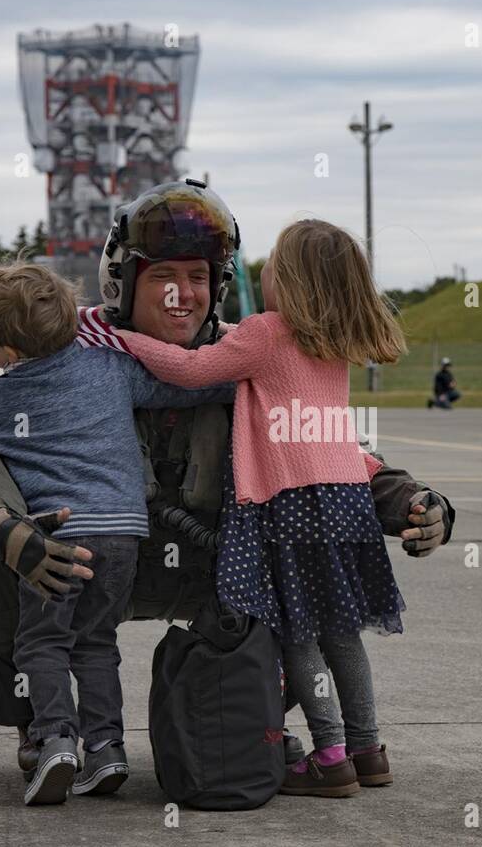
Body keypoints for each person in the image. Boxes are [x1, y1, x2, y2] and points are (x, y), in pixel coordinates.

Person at [0, 180, 457, 783]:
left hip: (214, 568)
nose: (183, 294)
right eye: (165, 274)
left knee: (293, 564)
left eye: (198, 277)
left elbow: (332, 453)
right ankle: (44, 723)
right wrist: (0, 524)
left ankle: (258, 718)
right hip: (84, 557)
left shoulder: (243, 356)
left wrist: (414, 502)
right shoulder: (67, 361)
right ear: (125, 280)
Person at [104, 218, 407, 798]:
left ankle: (330, 754)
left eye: (273, 267)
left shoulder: (267, 333)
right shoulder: (333, 343)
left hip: (290, 503)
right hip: (344, 502)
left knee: (299, 636)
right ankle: (369, 750)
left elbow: (191, 368)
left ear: (289, 281)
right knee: (343, 634)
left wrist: (122, 338)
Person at [0, 261, 231, 806]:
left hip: (56, 538)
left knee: (43, 642)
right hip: (124, 535)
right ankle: (107, 750)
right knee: (98, 643)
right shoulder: (109, 368)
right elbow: (181, 390)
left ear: (3, 348)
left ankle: (55, 740)